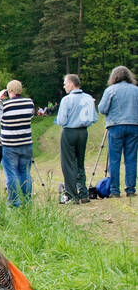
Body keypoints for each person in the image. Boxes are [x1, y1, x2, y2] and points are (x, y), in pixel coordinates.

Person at [56, 74, 97, 204]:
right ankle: (83, 193)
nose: (64, 86)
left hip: (69, 132)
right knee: (80, 162)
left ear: (72, 84)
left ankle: (72, 194)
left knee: (68, 164)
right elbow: (94, 118)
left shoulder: (67, 100)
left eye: (65, 83)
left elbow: (62, 120)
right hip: (83, 132)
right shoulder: (88, 98)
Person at [98, 65, 138, 198]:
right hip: (133, 125)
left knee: (114, 159)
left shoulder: (111, 90)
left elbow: (102, 109)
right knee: (131, 158)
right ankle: (131, 189)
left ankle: (115, 190)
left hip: (115, 126)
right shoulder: (135, 90)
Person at [0, 79, 36, 207]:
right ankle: (27, 200)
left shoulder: (5, 105)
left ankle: (14, 201)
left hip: (9, 144)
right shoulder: (29, 102)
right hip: (26, 142)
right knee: (25, 172)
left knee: (11, 173)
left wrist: (0, 98)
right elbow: (31, 116)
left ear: (10, 91)